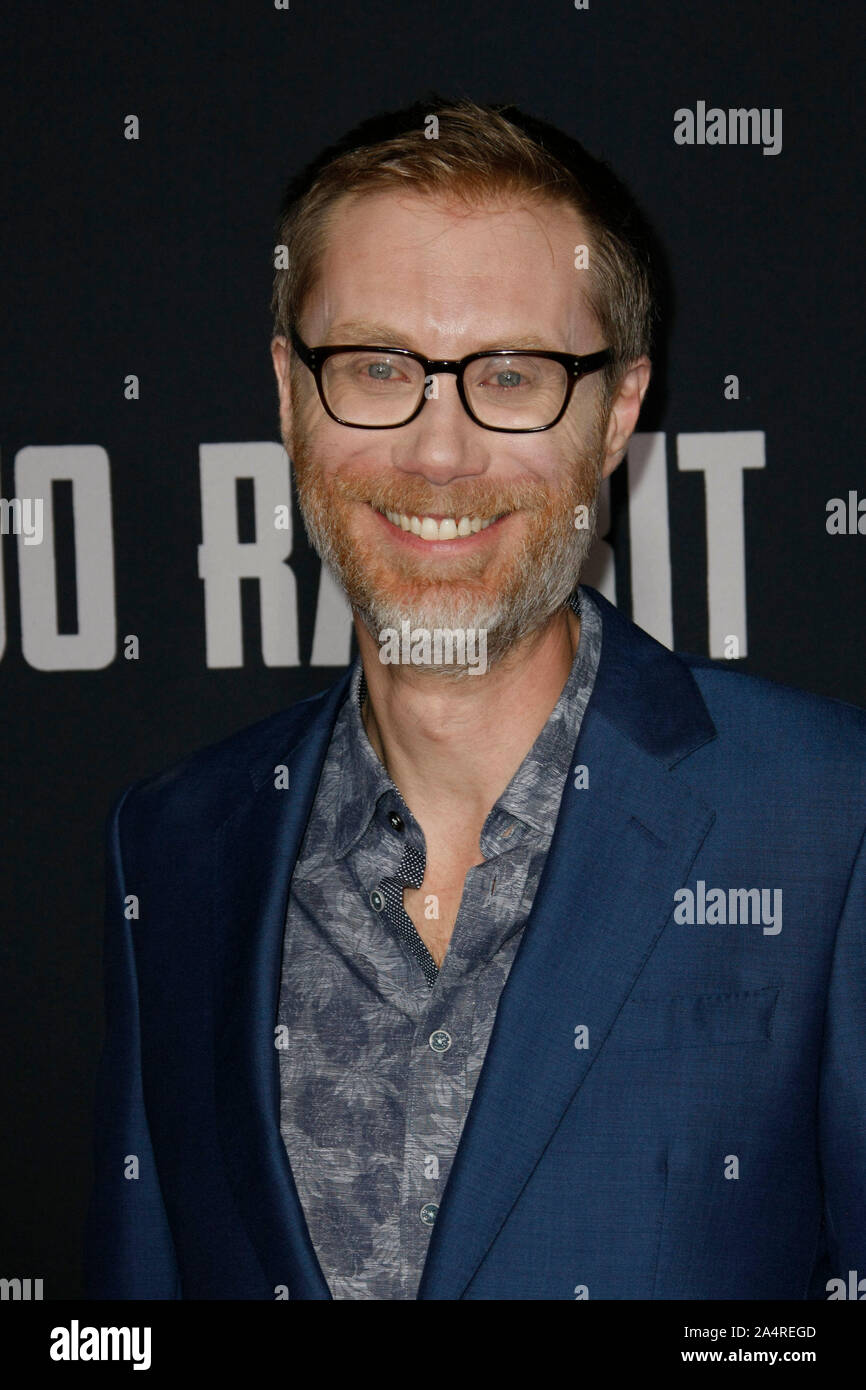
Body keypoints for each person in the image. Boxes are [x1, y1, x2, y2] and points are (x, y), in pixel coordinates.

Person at [84, 96, 866, 1301]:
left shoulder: (826, 816)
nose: (437, 453)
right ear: (291, 395)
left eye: (510, 374)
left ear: (614, 414)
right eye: (378, 366)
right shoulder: (173, 843)